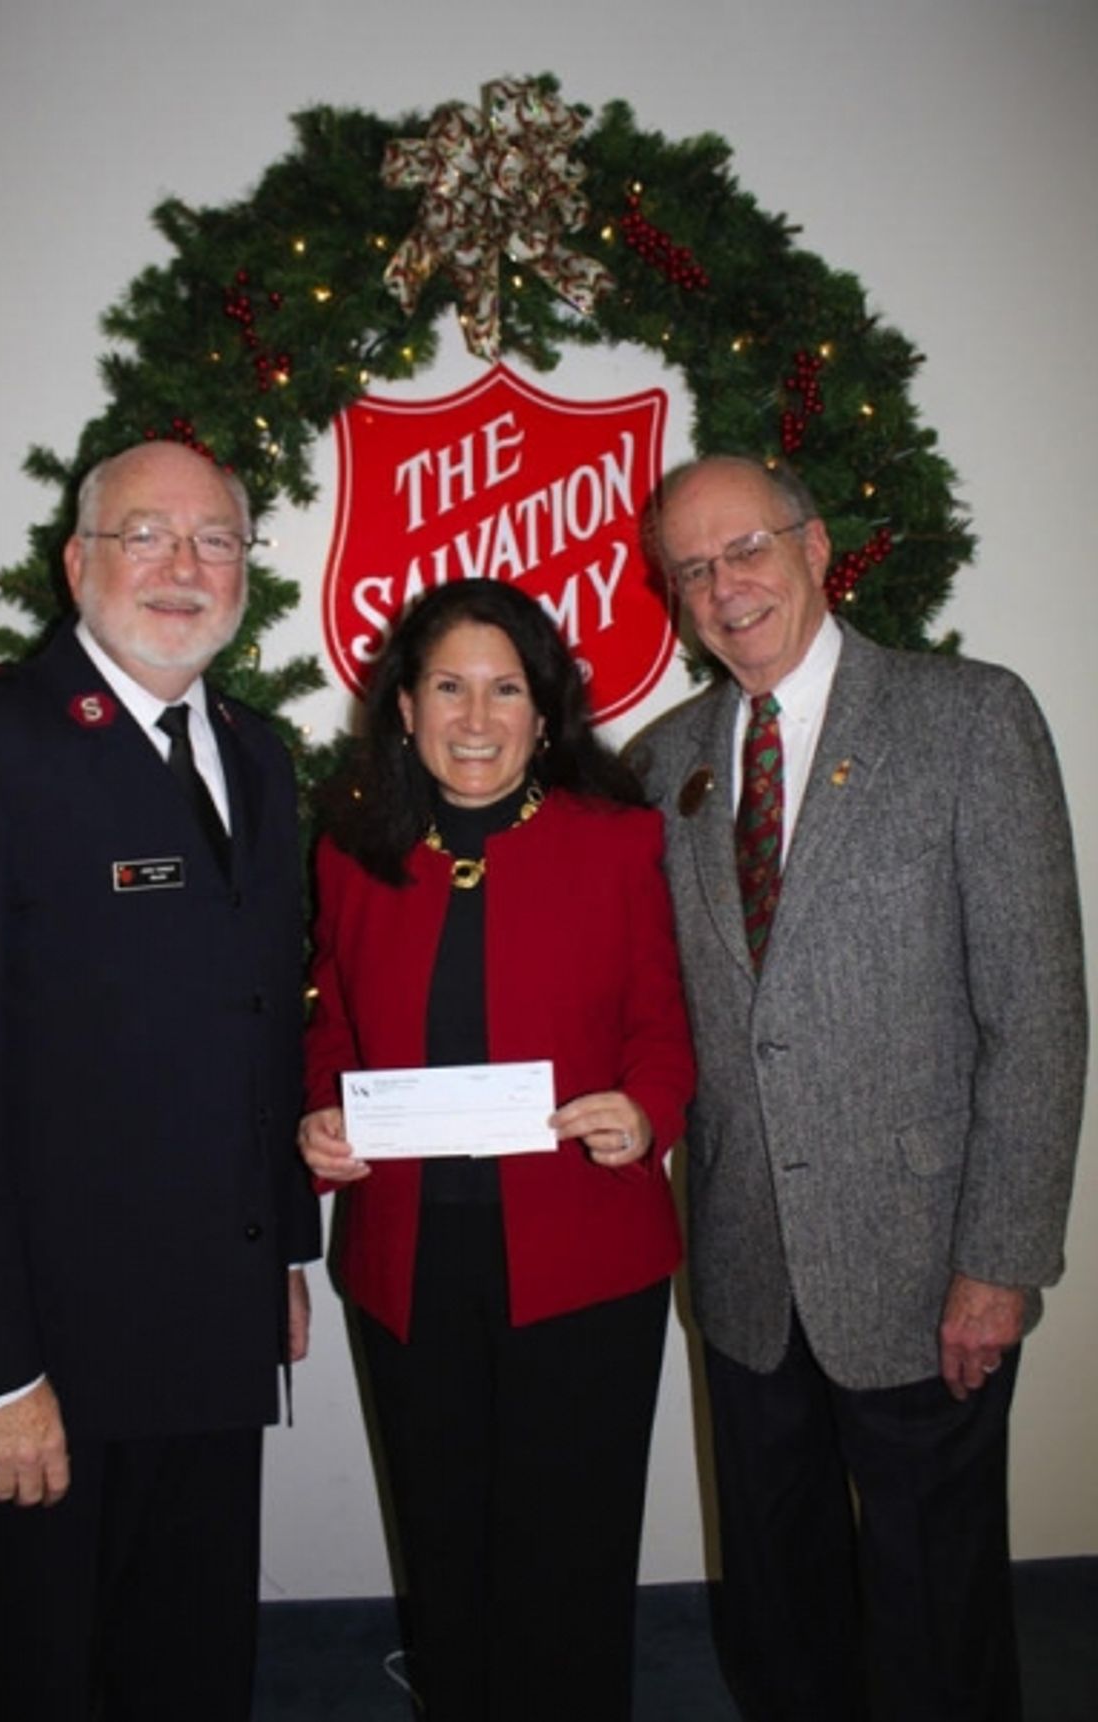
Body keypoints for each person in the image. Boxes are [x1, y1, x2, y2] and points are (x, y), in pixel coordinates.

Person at [632, 455, 1087, 1722]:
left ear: (816, 545)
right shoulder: (666, 762)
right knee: (778, 1601)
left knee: (934, 1604)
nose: (724, 588)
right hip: (743, 1268)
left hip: (927, 1262)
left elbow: (1039, 1016)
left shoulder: (969, 718)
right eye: (692, 569)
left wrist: (1001, 1263)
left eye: (746, 550)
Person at [0, 440, 320, 1721]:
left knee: (192, 1660)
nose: (185, 568)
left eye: (216, 541)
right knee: (50, 1674)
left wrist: (284, 1254)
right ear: (78, 560)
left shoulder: (253, 754)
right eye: (148, 535)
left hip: (215, 1313)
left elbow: (259, 1026)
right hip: (51, 1347)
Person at [298, 579, 695, 1722]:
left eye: (507, 688)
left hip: (583, 1253)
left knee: (569, 1550)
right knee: (445, 1536)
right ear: (407, 710)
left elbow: (661, 1026)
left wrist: (646, 1110)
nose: (478, 719)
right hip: (410, 1263)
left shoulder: (618, 842)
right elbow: (333, 1028)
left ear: (547, 709)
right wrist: (324, 1112)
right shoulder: (352, 849)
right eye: (450, 688)